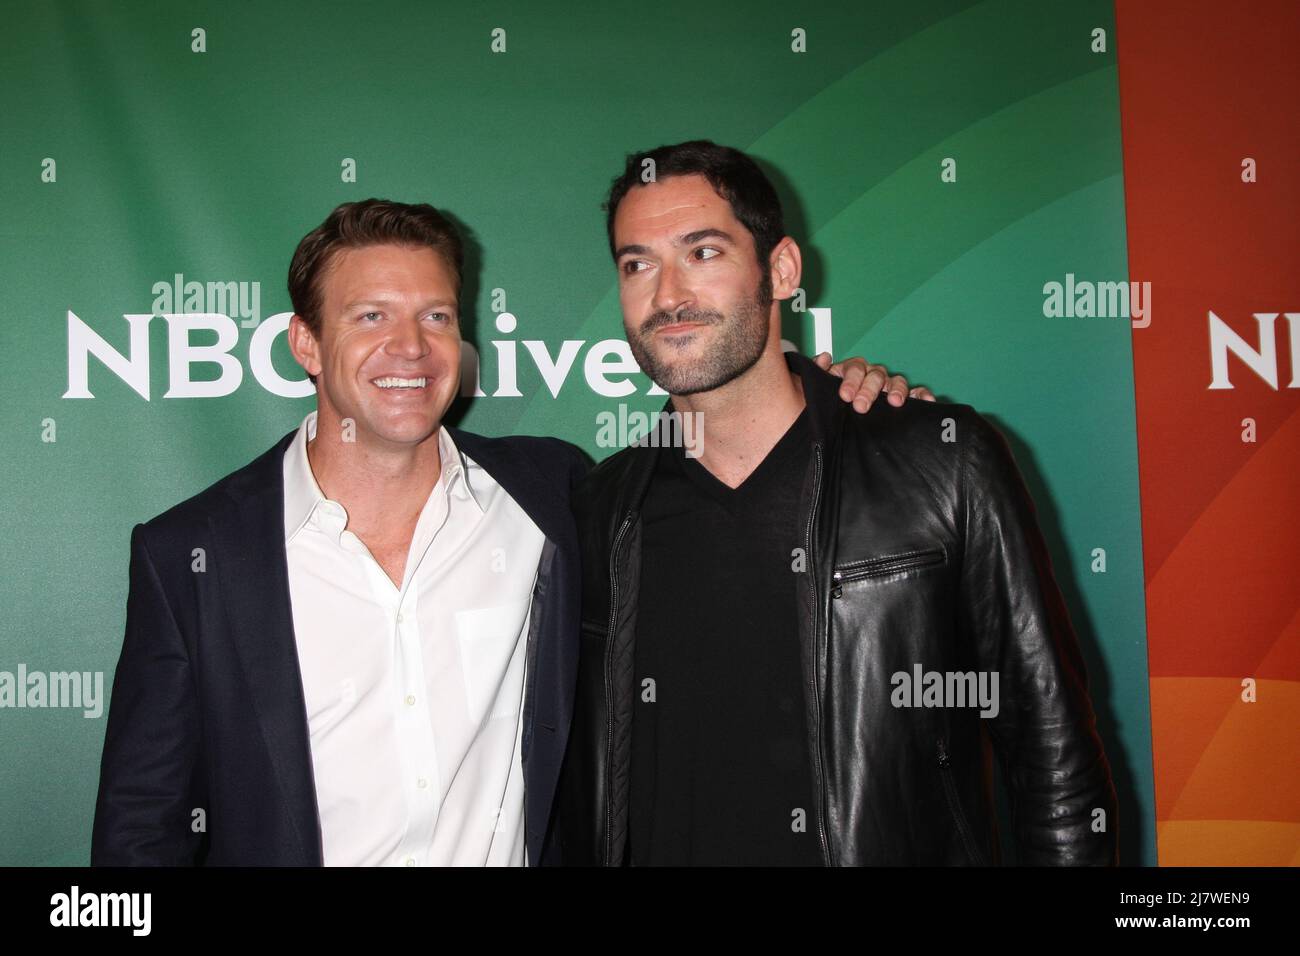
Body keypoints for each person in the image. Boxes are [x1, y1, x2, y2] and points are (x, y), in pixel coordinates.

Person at [91, 198, 917, 866]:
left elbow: (733, 467)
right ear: (306, 342)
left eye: (437, 316)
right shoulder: (190, 557)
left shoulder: (554, 497)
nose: (409, 348)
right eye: (370, 316)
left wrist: (836, 396)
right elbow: (139, 836)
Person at [553, 140, 1119, 866]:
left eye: (702, 252)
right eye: (638, 264)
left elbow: (1055, 761)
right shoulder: (597, 514)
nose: (667, 296)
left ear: (781, 269)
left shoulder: (938, 461)